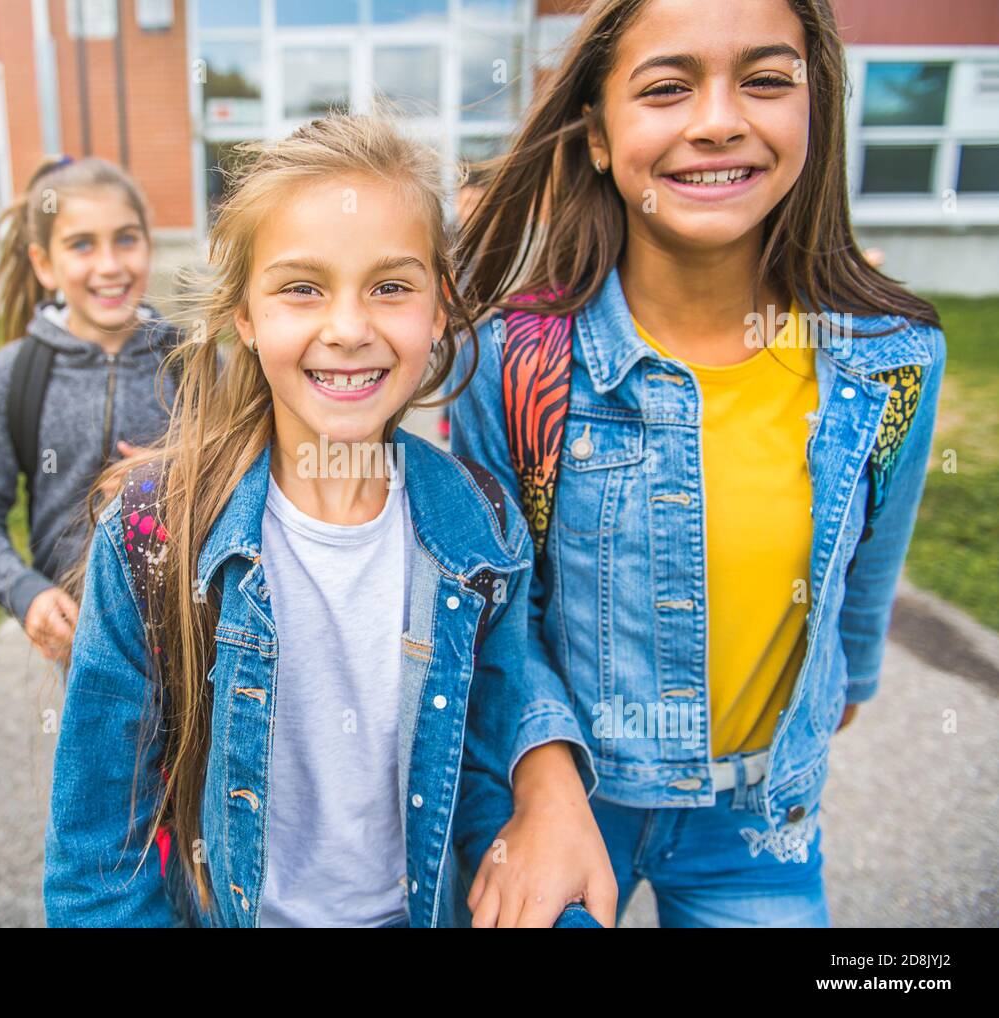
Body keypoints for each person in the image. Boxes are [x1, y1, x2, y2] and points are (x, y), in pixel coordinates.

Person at [44, 114, 614, 928]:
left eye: (389, 286)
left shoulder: (481, 531)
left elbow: (485, 786)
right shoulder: (151, 540)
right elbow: (98, 859)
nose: (348, 329)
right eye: (302, 287)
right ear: (244, 314)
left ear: (440, 308)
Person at [450, 0, 945, 926]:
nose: (719, 119)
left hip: (756, 823)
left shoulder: (891, 358)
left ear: (816, 108)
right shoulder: (517, 359)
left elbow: (871, 558)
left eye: (765, 80)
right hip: (555, 793)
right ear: (597, 136)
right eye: (668, 88)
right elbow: (494, 610)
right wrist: (547, 784)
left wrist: (851, 682)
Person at [0, 156, 178, 662]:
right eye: (81, 245)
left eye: (126, 238)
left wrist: (176, 478)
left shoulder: (194, 363)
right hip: (78, 647)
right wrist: (25, 593)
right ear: (44, 263)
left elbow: (255, 477)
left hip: (190, 636)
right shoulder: (15, 375)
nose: (110, 265)